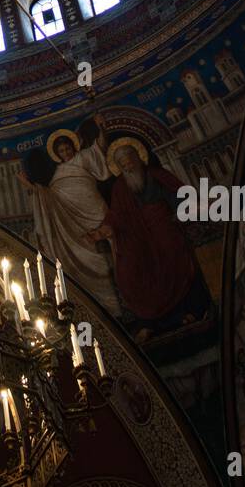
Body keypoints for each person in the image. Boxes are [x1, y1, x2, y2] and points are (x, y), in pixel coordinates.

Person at [102, 144, 210, 341]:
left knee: (172, 252)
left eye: (129, 161)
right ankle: (148, 323)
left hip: (163, 225)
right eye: (122, 164)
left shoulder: (157, 175)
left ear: (138, 158)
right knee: (129, 270)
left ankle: (189, 311)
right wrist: (105, 229)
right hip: (137, 235)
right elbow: (115, 215)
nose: (128, 167)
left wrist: (182, 211)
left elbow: (179, 195)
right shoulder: (119, 188)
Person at [24, 117, 120, 314]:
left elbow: (99, 147)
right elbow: (51, 196)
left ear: (73, 146)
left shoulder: (84, 157)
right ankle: (108, 306)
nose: (66, 153)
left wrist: (102, 129)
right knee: (94, 255)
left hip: (94, 208)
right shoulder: (58, 172)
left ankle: (125, 287)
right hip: (73, 220)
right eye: (62, 151)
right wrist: (30, 186)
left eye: (68, 148)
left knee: (115, 248)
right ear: (57, 154)